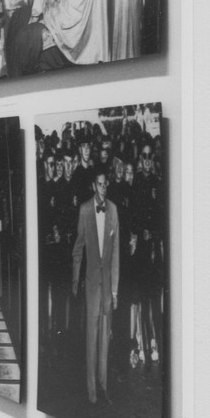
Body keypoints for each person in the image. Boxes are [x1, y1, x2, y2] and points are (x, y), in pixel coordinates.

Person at [72, 169, 121, 404]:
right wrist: (75, 282)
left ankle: (103, 387)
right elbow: (78, 248)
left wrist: (114, 290)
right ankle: (91, 391)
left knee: (105, 340)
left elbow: (116, 255)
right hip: (91, 287)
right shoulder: (84, 210)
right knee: (91, 339)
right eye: (99, 184)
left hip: (107, 288)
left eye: (105, 184)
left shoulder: (112, 210)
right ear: (94, 186)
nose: (102, 188)